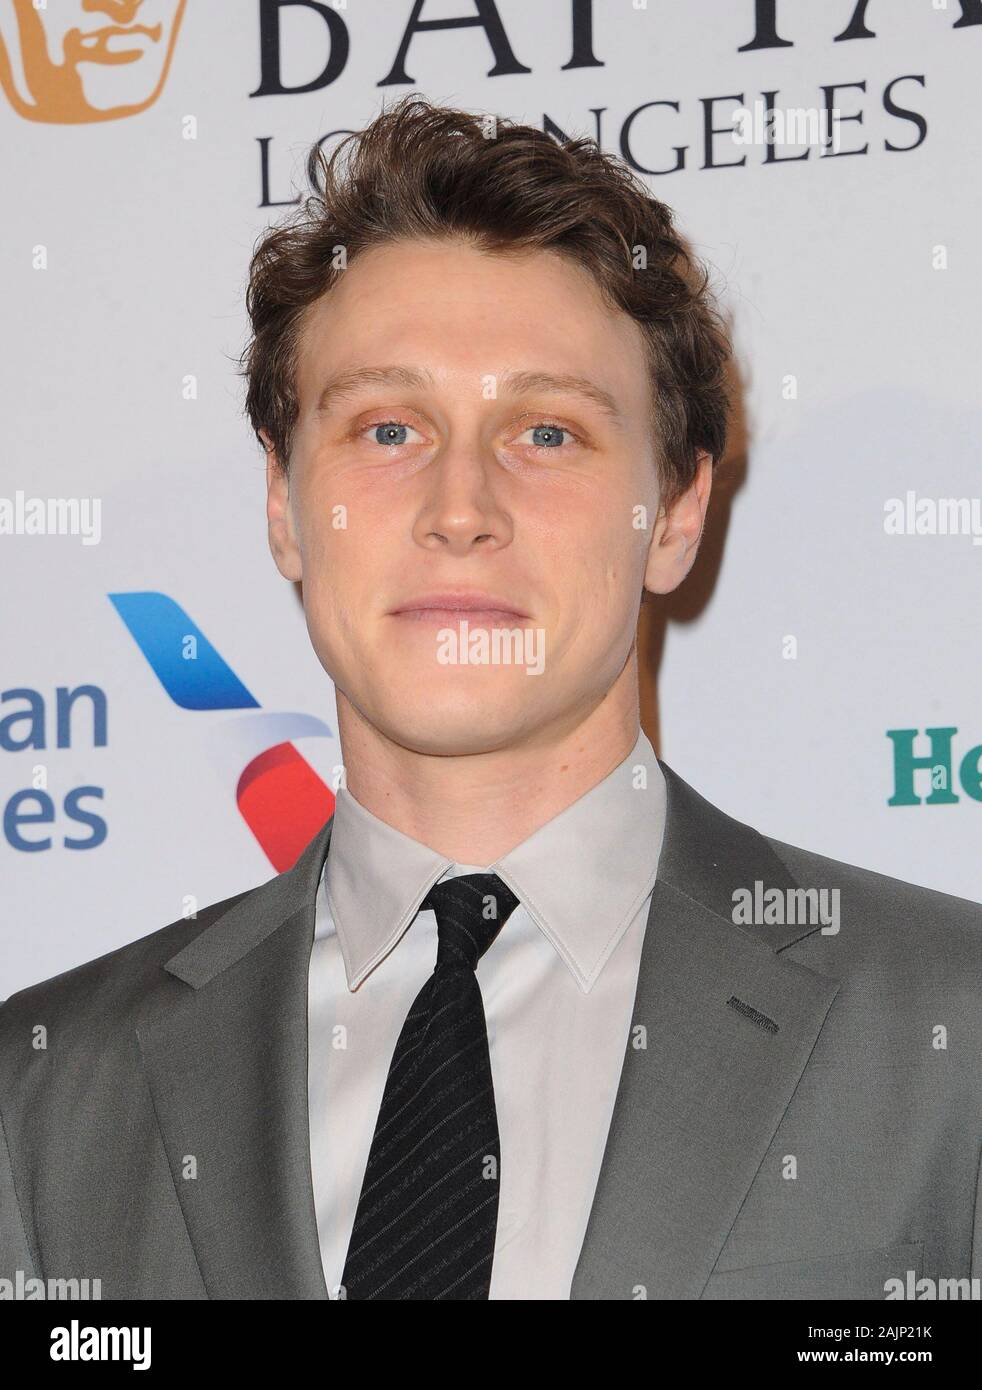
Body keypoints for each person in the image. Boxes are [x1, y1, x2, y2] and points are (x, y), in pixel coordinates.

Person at [2, 96, 980, 1302]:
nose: (459, 508)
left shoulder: (950, 1030)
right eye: (389, 426)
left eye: (548, 433)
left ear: (673, 513)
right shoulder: (43, 1095)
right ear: (283, 504)